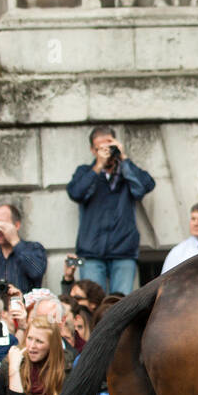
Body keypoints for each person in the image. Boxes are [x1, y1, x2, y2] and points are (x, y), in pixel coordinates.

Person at [66, 125, 156, 295]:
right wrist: (98, 166)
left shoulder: (126, 172)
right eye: (101, 147)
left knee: (121, 304)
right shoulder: (84, 172)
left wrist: (124, 158)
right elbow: (76, 192)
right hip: (91, 252)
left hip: (123, 250)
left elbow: (146, 186)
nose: (106, 150)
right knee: (91, 302)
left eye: (109, 145)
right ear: (93, 150)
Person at [0, 203, 48, 293]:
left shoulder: (34, 248)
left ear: (17, 225)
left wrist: (15, 241)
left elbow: (36, 272)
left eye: (2, 224)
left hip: (24, 305)